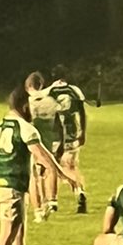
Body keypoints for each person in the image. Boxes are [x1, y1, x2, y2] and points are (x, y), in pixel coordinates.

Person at [0, 87, 74, 245]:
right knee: (8, 230)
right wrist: (63, 174)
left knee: (18, 229)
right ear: (23, 106)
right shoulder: (25, 128)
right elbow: (42, 155)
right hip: (11, 187)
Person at [45, 67, 90, 213]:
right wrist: (82, 132)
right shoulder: (74, 90)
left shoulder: (49, 92)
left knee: (51, 167)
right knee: (71, 166)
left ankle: (52, 201)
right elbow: (82, 112)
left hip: (54, 134)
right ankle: (80, 191)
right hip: (72, 132)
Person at [24, 72, 63, 220]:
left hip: (34, 142)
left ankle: (38, 210)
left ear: (28, 86)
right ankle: (52, 199)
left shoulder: (29, 102)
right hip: (51, 140)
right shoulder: (52, 102)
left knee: (34, 176)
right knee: (50, 169)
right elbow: (59, 124)